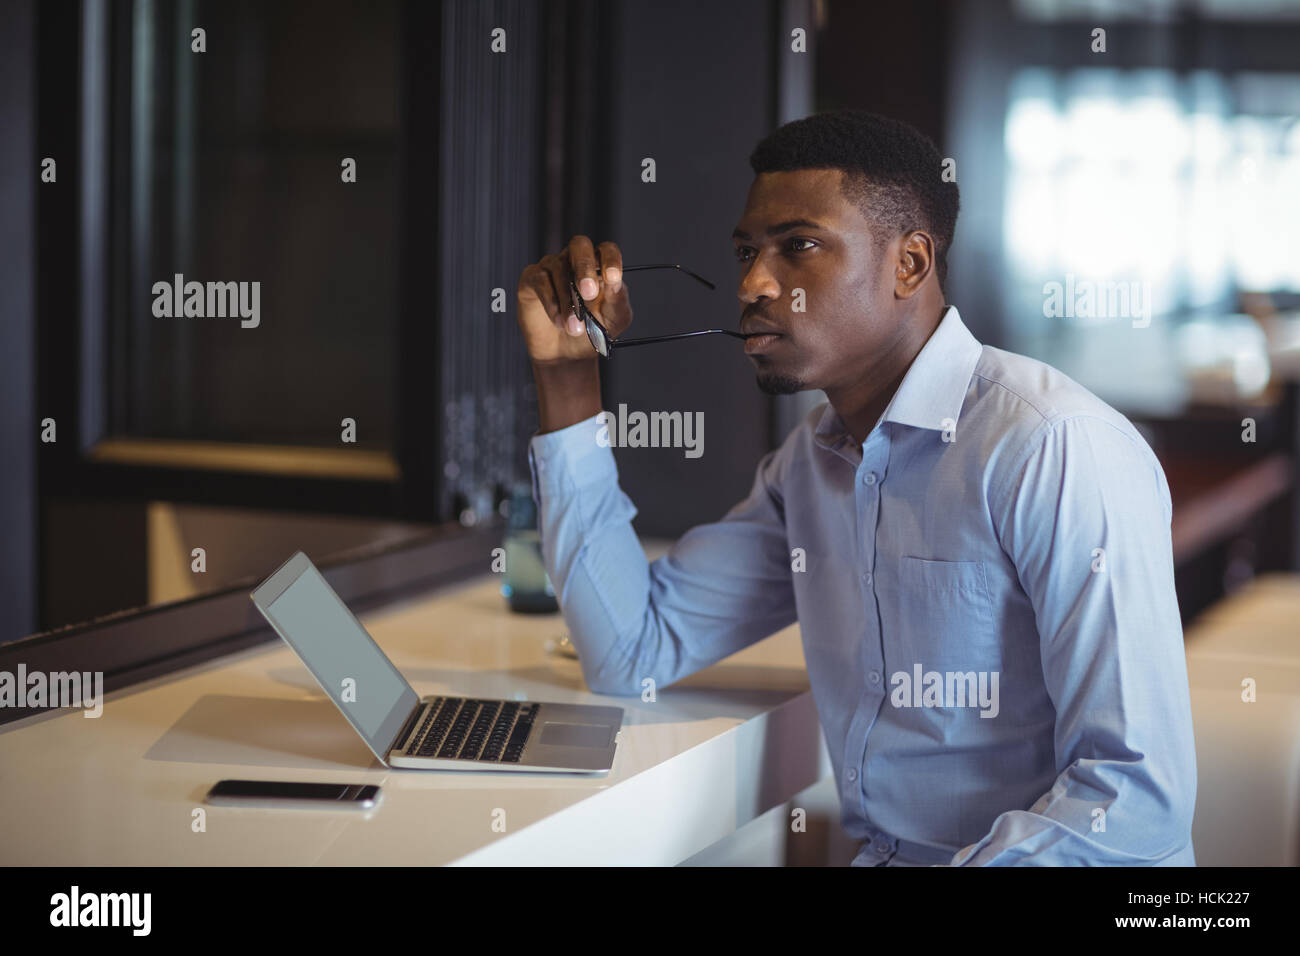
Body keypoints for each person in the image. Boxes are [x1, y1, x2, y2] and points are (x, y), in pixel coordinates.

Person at [514, 109, 1197, 866]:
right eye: (746, 252)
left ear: (909, 264)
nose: (753, 283)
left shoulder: (1052, 447)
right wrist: (569, 379)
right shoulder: (811, 466)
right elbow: (628, 649)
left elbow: (1133, 804)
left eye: (798, 246)